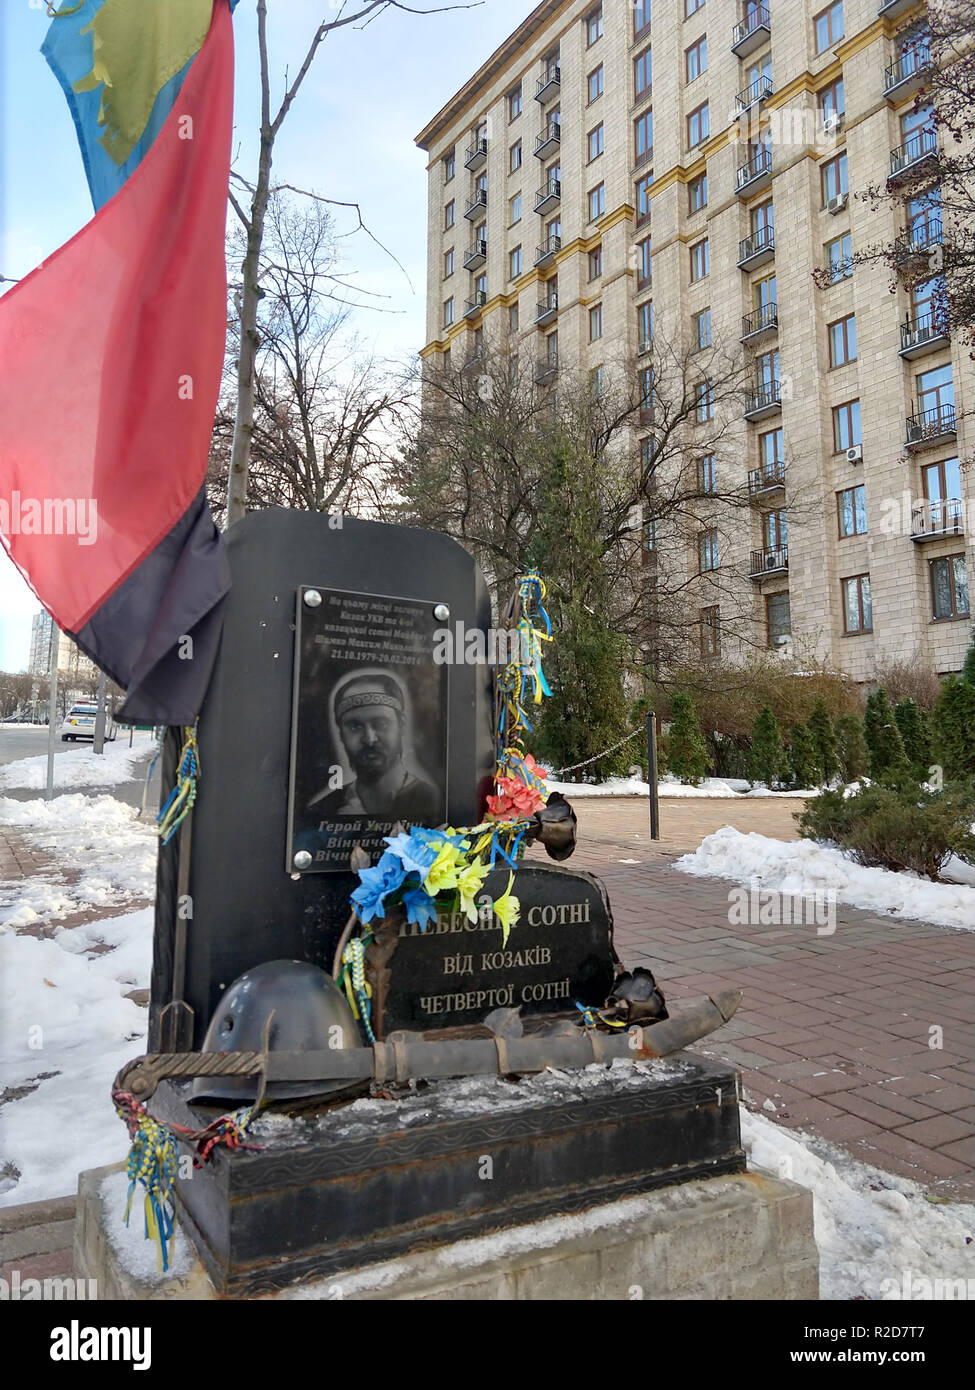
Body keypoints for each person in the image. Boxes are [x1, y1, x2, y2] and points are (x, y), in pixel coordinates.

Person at [307, 671, 439, 822]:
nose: (370, 740)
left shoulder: (432, 802)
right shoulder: (323, 811)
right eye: (355, 727)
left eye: (381, 724)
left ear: (401, 724)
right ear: (340, 734)